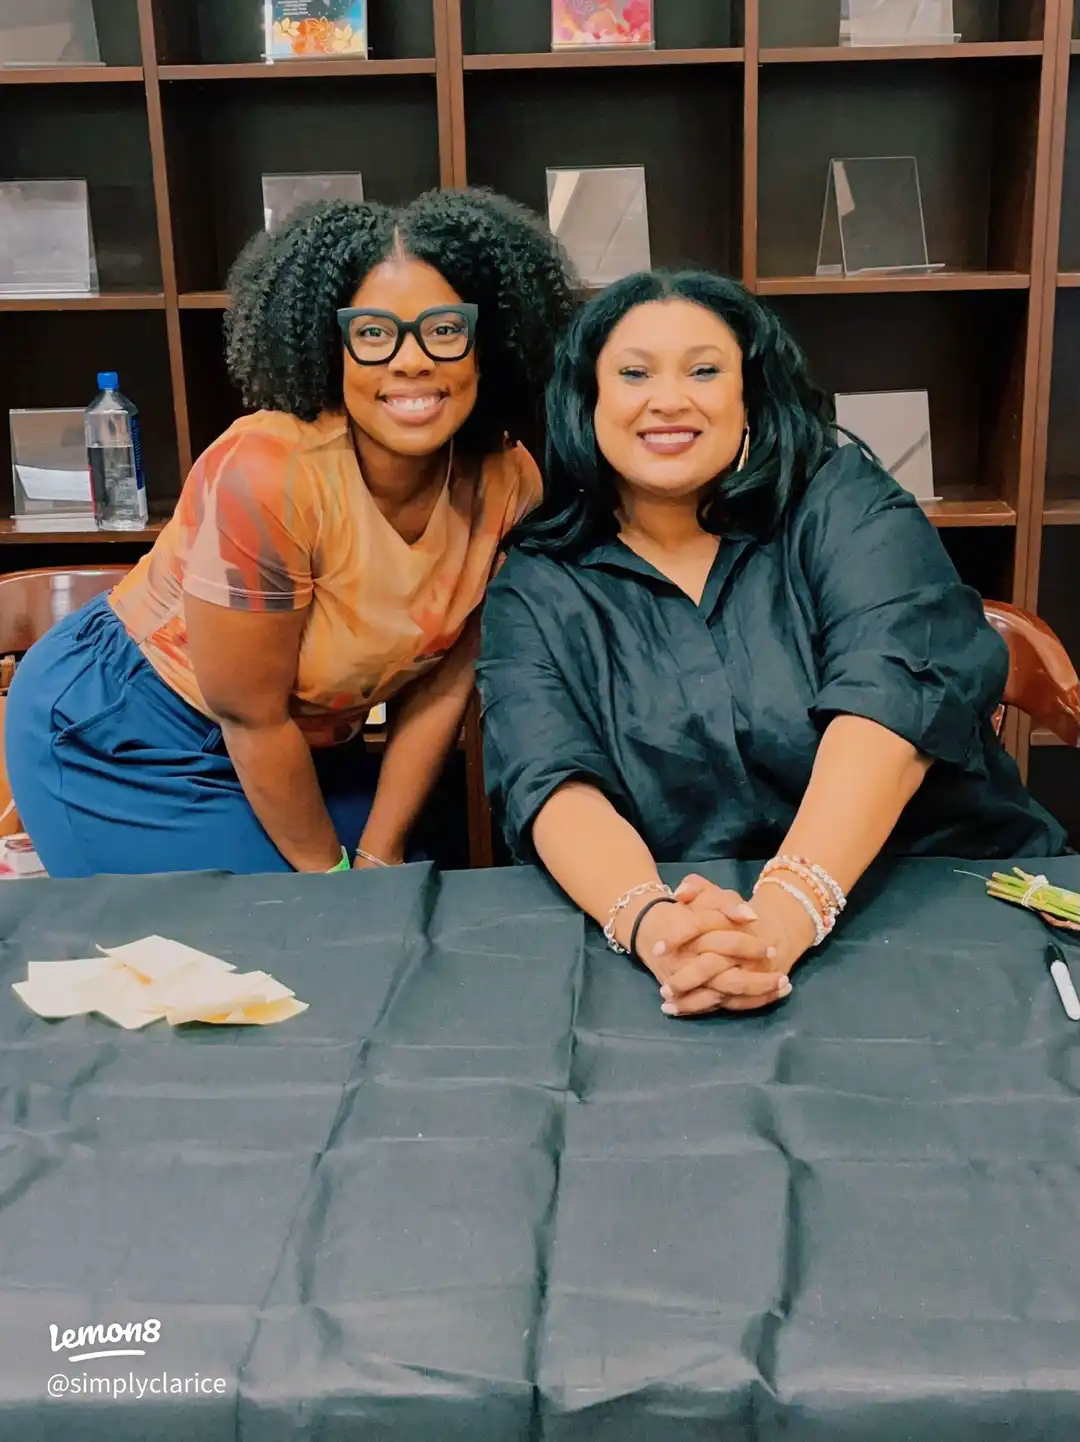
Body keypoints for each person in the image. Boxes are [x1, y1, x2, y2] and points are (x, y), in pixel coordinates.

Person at [477, 269, 1066, 1018]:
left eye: (704, 370)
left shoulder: (844, 502)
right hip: (686, 943)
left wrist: (785, 917)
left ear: (748, 395)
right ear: (587, 401)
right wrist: (658, 930)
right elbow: (550, 781)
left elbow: (891, 708)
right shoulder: (535, 582)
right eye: (633, 373)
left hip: (939, 900)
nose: (668, 399)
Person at [5, 189, 576, 877]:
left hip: (300, 746)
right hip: (126, 730)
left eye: (444, 329)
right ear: (329, 347)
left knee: (413, 886)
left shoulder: (510, 482)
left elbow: (444, 687)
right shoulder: (272, 474)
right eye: (372, 333)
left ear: (487, 343)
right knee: (283, 941)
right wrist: (335, 880)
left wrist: (377, 853)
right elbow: (250, 717)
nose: (412, 360)